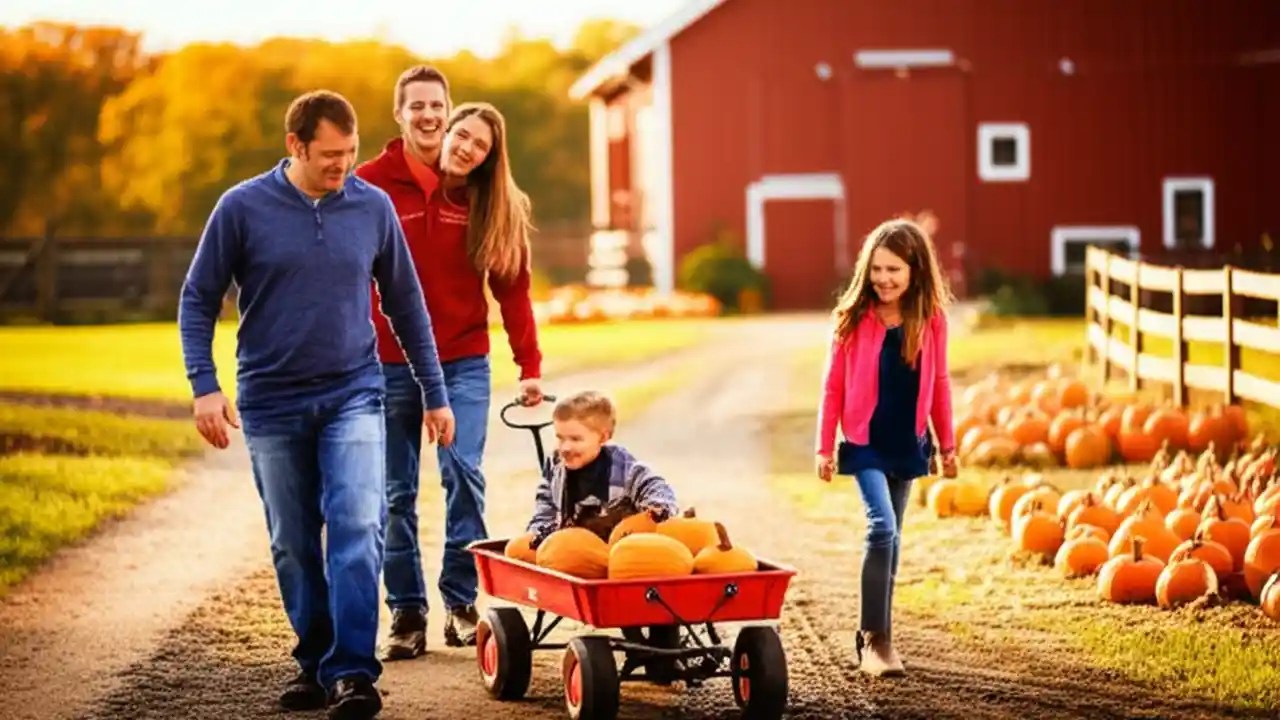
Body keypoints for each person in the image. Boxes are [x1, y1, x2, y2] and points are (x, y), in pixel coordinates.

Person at [178, 89, 455, 719]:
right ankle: (317, 660)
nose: (343, 166)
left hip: (355, 392)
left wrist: (434, 394)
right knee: (294, 539)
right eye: (330, 155)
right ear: (295, 146)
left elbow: (406, 306)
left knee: (358, 523)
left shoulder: (371, 206)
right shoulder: (242, 208)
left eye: (351, 152)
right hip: (271, 400)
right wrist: (204, 384)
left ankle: (353, 675)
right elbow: (198, 299)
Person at [355, 82, 544, 655]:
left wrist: (529, 364)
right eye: (459, 133)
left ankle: (460, 602)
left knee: (464, 472)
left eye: (478, 144)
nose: (463, 145)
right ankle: (407, 614)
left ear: (490, 154)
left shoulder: (491, 204)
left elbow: (514, 292)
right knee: (394, 492)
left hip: (463, 360)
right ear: (407, 116)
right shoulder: (371, 183)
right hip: (388, 363)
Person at [813, 218, 957, 678]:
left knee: (894, 539)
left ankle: (879, 638)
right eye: (876, 269)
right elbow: (832, 387)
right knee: (881, 528)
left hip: (908, 442)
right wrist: (823, 446)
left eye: (894, 269)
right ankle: (874, 638)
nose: (884, 279)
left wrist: (948, 444)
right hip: (864, 442)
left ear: (915, 270)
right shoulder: (853, 319)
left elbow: (939, 383)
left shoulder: (931, 318)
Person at [527, 391, 680, 543]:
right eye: (560, 438)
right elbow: (545, 509)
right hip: (572, 552)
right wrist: (539, 534)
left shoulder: (626, 471)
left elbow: (655, 487)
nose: (565, 447)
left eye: (575, 439)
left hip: (621, 550)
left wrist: (659, 508)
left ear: (603, 437)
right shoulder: (555, 468)